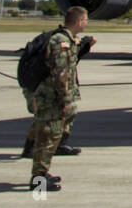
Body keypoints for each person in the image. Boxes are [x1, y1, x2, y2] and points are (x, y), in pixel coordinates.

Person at [30, 6, 88, 190]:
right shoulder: (60, 42)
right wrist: (66, 100)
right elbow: (60, 74)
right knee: (47, 138)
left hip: (53, 97)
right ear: (79, 21)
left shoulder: (67, 40)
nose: (86, 24)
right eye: (85, 20)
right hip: (52, 99)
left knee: (52, 136)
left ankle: (43, 173)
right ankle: (38, 180)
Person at [22, 30, 93, 158]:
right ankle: (29, 147)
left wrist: (83, 47)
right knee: (42, 117)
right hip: (42, 87)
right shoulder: (57, 41)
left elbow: (70, 62)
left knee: (70, 111)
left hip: (54, 87)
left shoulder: (64, 42)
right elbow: (59, 67)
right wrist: (64, 97)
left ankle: (59, 144)